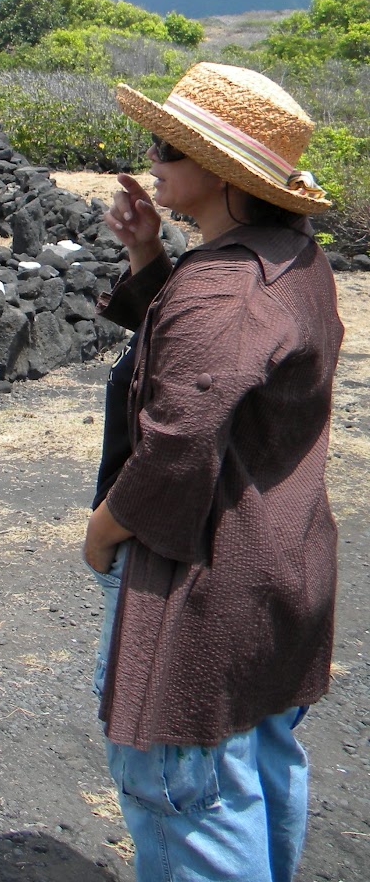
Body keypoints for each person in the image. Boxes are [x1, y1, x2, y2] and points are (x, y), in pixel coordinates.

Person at [88, 61, 342, 882]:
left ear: (224, 173)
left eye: (167, 145)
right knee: (259, 771)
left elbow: (178, 443)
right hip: (279, 566)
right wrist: (146, 255)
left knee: (187, 796)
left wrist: (104, 531)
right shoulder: (287, 258)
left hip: (202, 585)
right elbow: (215, 367)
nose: (151, 158)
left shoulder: (224, 288)